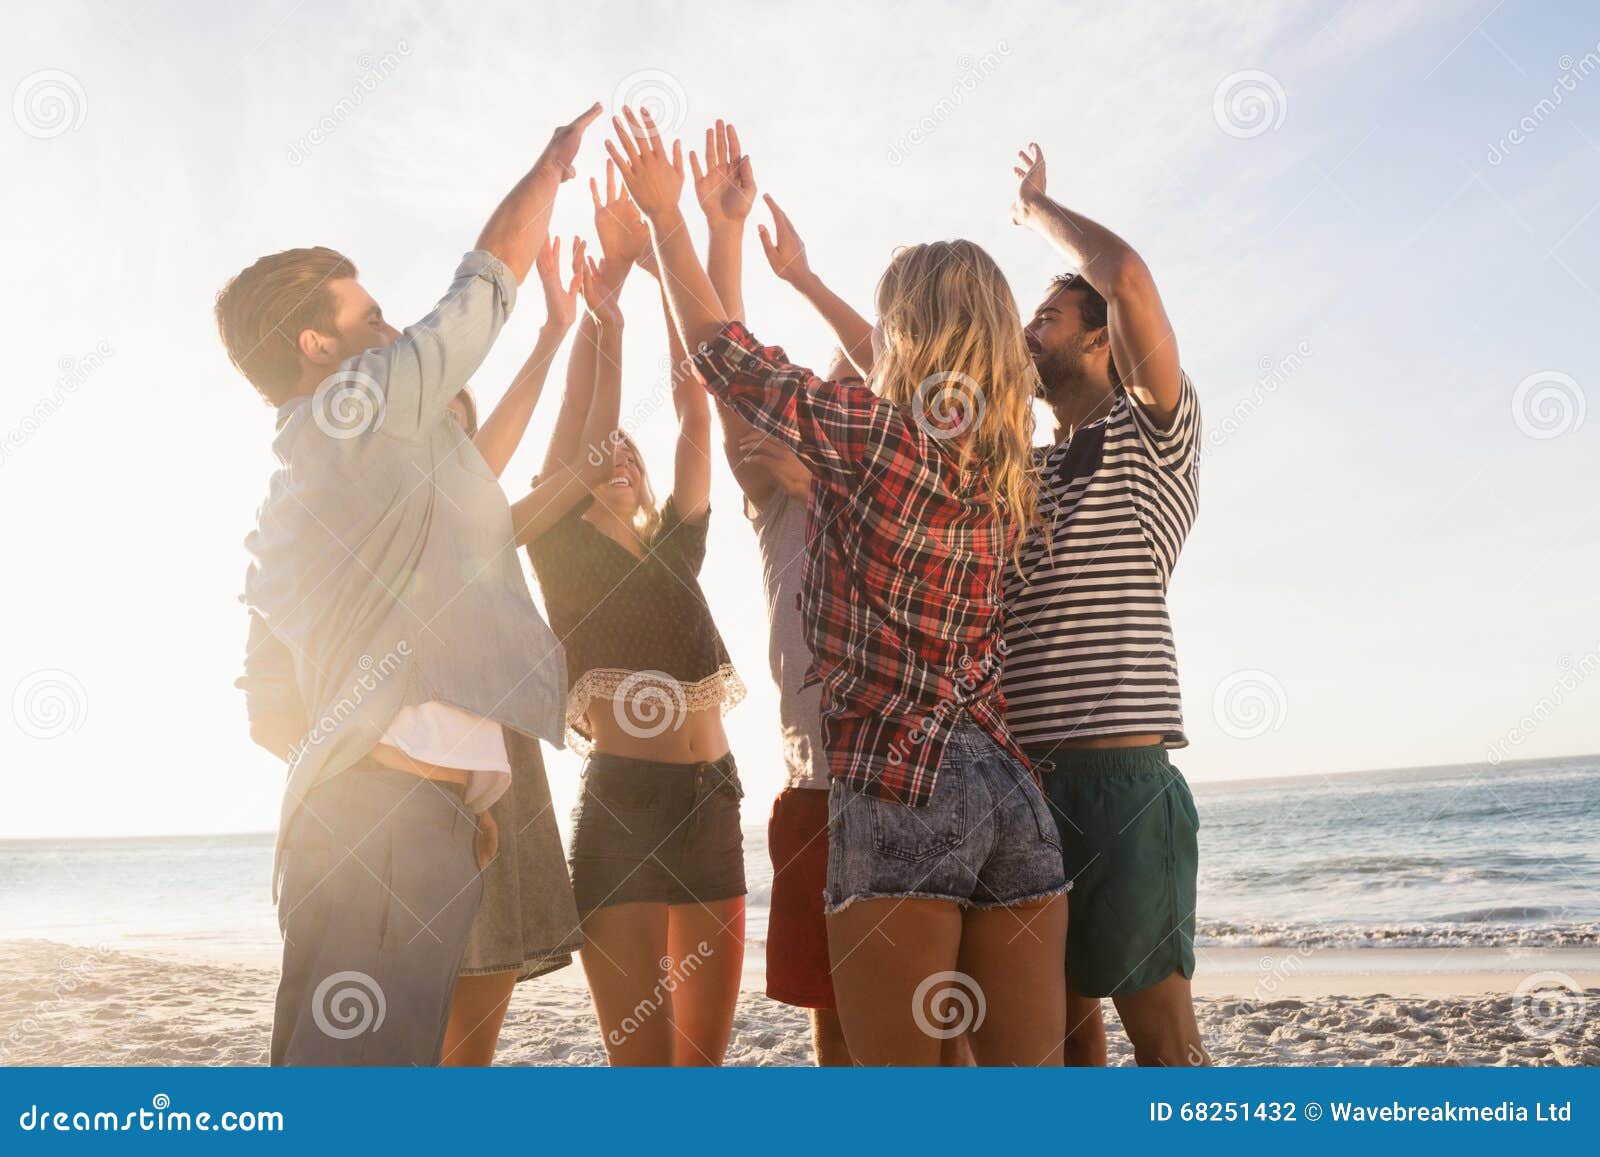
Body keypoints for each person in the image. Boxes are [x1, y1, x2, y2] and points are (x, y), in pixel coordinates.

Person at [609, 106, 1068, 1066]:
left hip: (898, 782)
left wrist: (666, 220)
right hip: (1009, 788)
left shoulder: (877, 439)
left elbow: (726, 359)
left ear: (905, 330)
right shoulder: (1003, 452)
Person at [222, 103, 607, 1066]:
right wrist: (549, 171)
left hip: (421, 823)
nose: (391, 328)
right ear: (320, 347)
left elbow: (474, 477)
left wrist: (557, 337)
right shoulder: (347, 410)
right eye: (367, 315)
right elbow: (480, 286)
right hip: (379, 824)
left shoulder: (364, 456)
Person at [521, 162, 747, 1066]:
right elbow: (588, 423)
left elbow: (696, 390)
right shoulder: (560, 554)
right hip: (621, 813)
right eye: (600, 457)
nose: (617, 455)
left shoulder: (676, 549)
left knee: (706, 1068)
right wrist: (600, 312)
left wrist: (660, 242)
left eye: (629, 453)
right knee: (645, 1077)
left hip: (715, 807)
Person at [1003, 142, 1207, 1067]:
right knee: (1066, 1042)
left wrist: (1035, 206)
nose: (1027, 332)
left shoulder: (1152, 431)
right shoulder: (1020, 472)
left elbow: (1124, 274)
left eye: (1045, 317)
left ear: (1098, 337)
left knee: (1162, 1043)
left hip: (1121, 784)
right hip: (1022, 789)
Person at [438, 237, 589, 1067]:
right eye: (448, 430)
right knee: (425, 989)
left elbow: (530, 499)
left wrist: (581, 328)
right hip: (424, 753)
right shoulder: (401, 504)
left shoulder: (480, 520)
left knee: (488, 980)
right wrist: (548, 337)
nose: (464, 450)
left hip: (506, 742)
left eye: (468, 425)